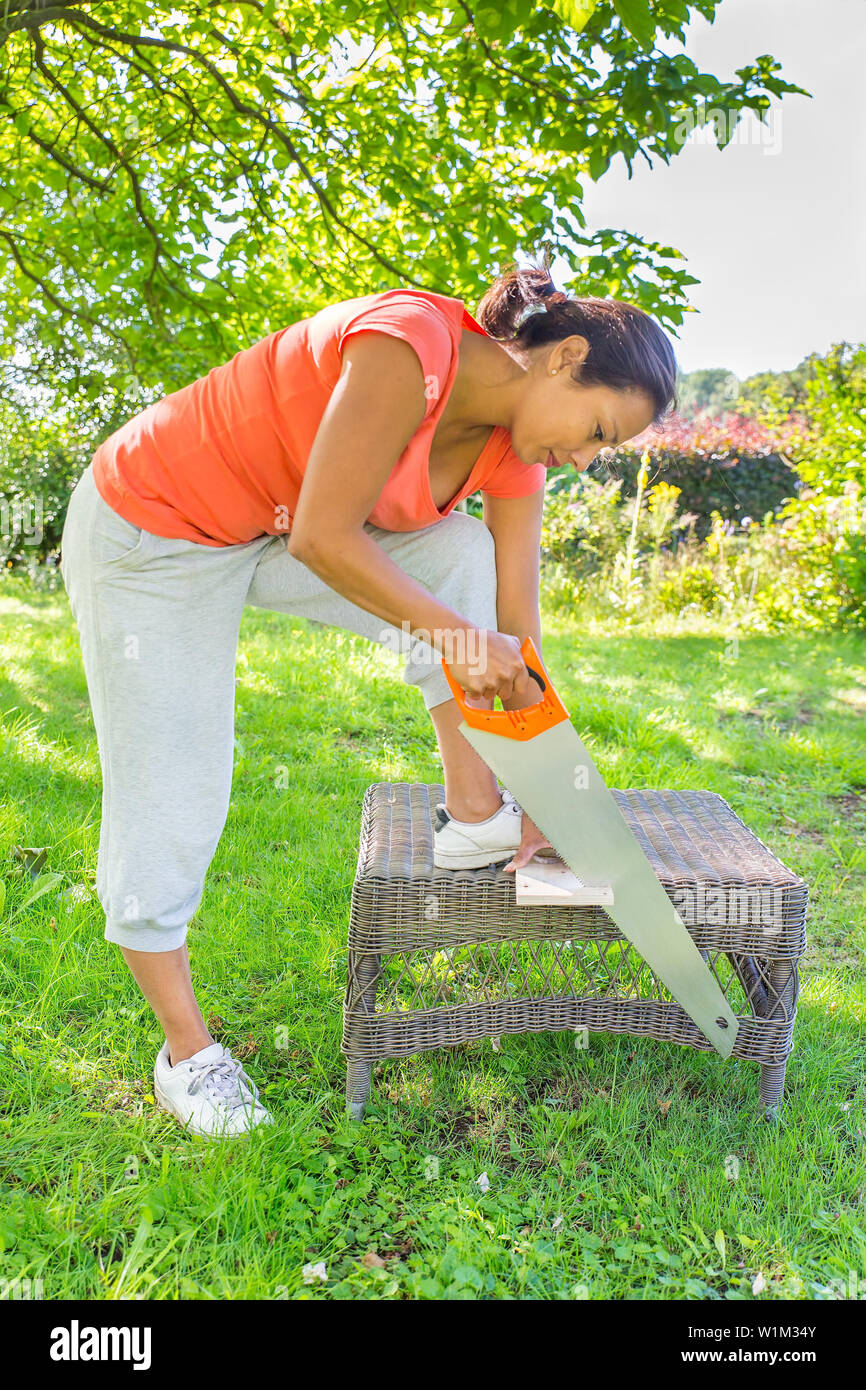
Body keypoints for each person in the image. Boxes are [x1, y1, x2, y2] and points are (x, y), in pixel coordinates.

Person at [58, 256, 677, 1137]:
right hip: (154, 528)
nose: (583, 458)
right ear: (565, 357)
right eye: (598, 432)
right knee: (178, 780)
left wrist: (546, 792)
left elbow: (516, 626)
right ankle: (186, 1053)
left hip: (263, 530)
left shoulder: (515, 453)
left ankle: (476, 815)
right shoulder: (406, 346)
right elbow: (323, 536)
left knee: (458, 556)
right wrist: (465, 645)